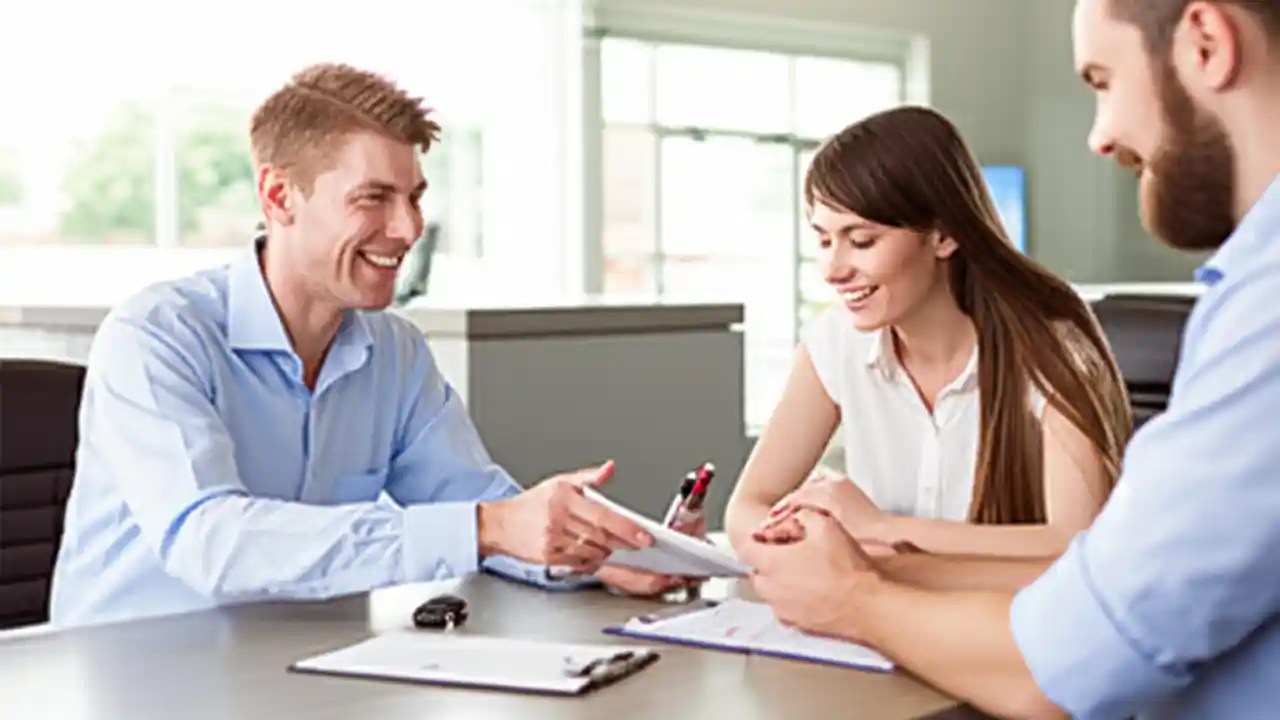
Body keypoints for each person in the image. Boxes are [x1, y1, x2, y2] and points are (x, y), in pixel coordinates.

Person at [742, 0, 1280, 717]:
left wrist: (858, 584)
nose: (1099, 135)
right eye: (823, 238)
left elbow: (1083, 644)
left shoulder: (1256, 310)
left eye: (1101, 80)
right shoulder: (1246, 293)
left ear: (1207, 42)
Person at [50, 63, 680, 628]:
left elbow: (476, 506)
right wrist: (489, 527)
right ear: (279, 196)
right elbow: (211, 541)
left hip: (305, 671)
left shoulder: (394, 352)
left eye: (414, 198)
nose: (407, 229)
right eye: (373, 198)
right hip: (131, 678)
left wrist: (599, 553)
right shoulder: (157, 337)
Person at [725, 105, 1132, 560]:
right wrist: (803, 541)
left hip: (1005, 622)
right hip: (873, 617)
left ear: (942, 237)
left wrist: (881, 529)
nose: (833, 270)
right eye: (824, 240)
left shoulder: (1050, 350)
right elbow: (745, 510)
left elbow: (1077, 543)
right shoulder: (835, 341)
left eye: (861, 241)